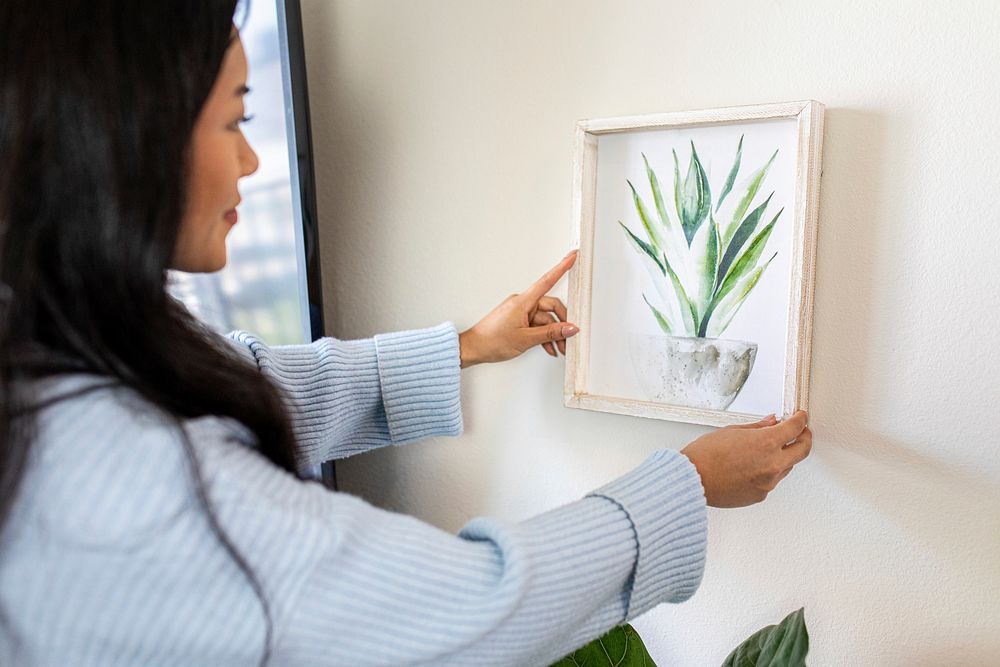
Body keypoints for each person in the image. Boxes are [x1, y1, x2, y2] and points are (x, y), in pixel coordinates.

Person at [0, 2, 813, 665]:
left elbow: (253, 380)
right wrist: (686, 484)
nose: (250, 161)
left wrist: (466, 343)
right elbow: (469, 612)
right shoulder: (130, 478)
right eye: (231, 123)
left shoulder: (56, 339)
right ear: (126, 141)